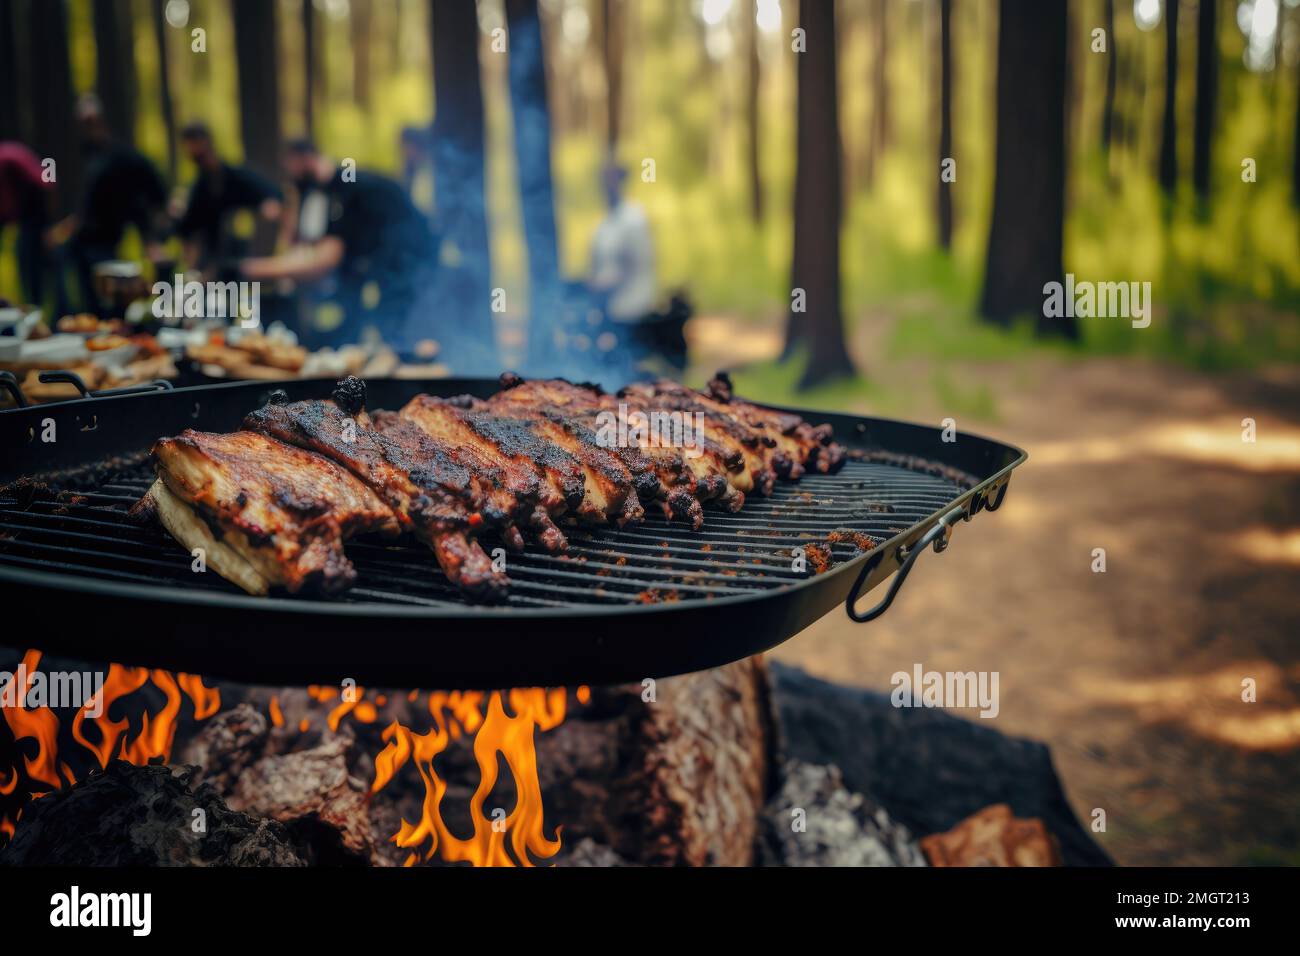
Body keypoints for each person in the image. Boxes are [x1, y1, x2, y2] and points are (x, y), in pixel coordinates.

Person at [240, 139, 436, 349]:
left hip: (410, 264)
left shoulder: (345, 186)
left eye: (292, 168)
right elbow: (310, 242)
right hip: (383, 266)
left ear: (305, 159)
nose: (292, 176)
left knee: (397, 337)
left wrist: (254, 269)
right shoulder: (327, 188)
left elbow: (326, 259)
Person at [50, 95, 169, 317]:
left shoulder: (121, 156)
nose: (89, 126)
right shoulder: (91, 157)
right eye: (84, 121)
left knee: (109, 299)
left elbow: (147, 194)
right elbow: (88, 205)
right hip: (82, 241)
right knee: (85, 298)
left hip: (105, 242)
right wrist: (67, 227)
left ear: (102, 120)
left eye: (92, 119)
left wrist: (152, 234)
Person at [174, 121, 283, 274]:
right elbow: (187, 230)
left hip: (251, 258)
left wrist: (270, 206)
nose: (195, 153)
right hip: (214, 263)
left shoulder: (238, 178)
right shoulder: (198, 190)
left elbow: (272, 196)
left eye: (199, 150)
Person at [0, 142, 53, 305]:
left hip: (33, 219)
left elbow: (45, 185)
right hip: (24, 217)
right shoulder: (9, 154)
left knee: (32, 268)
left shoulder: (9, 156)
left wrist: (45, 227)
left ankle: (35, 310)